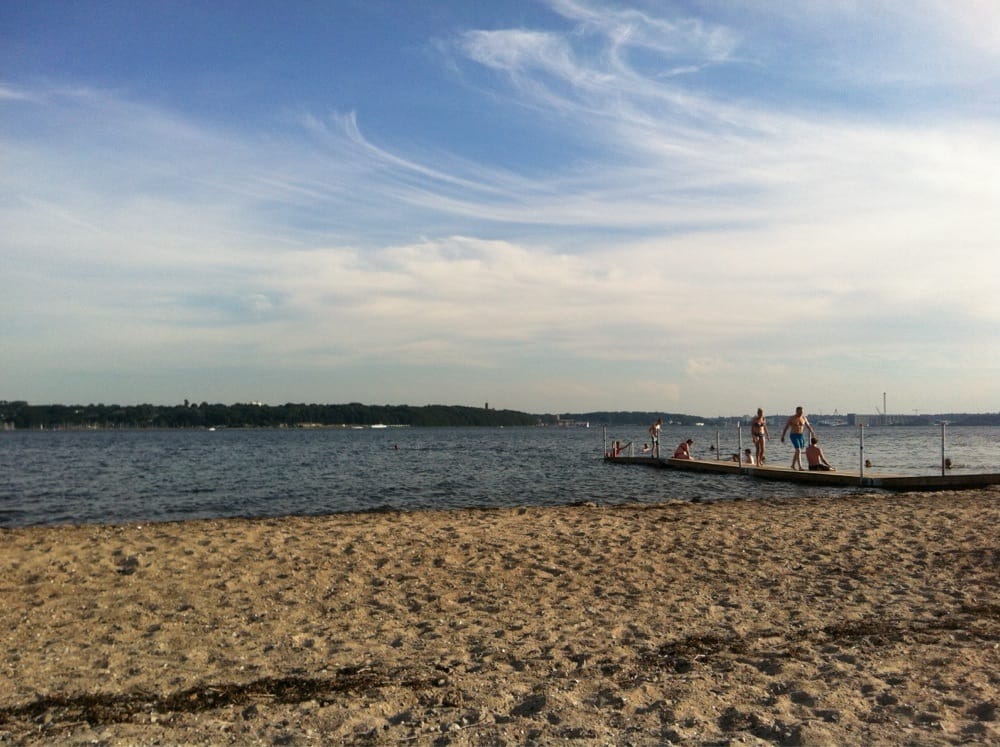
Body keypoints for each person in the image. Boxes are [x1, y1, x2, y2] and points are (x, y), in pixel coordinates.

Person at [780, 406, 815, 470]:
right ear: (796, 411)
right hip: (793, 435)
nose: (801, 413)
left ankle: (793, 465)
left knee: (798, 451)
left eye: (802, 412)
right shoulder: (792, 418)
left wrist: (812, 433)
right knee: (798, 450)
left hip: (801, 435)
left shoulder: (804, 418)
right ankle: (800, 467)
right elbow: (786, 427)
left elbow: (808, 426)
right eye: (800, 412)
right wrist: (783, 436)